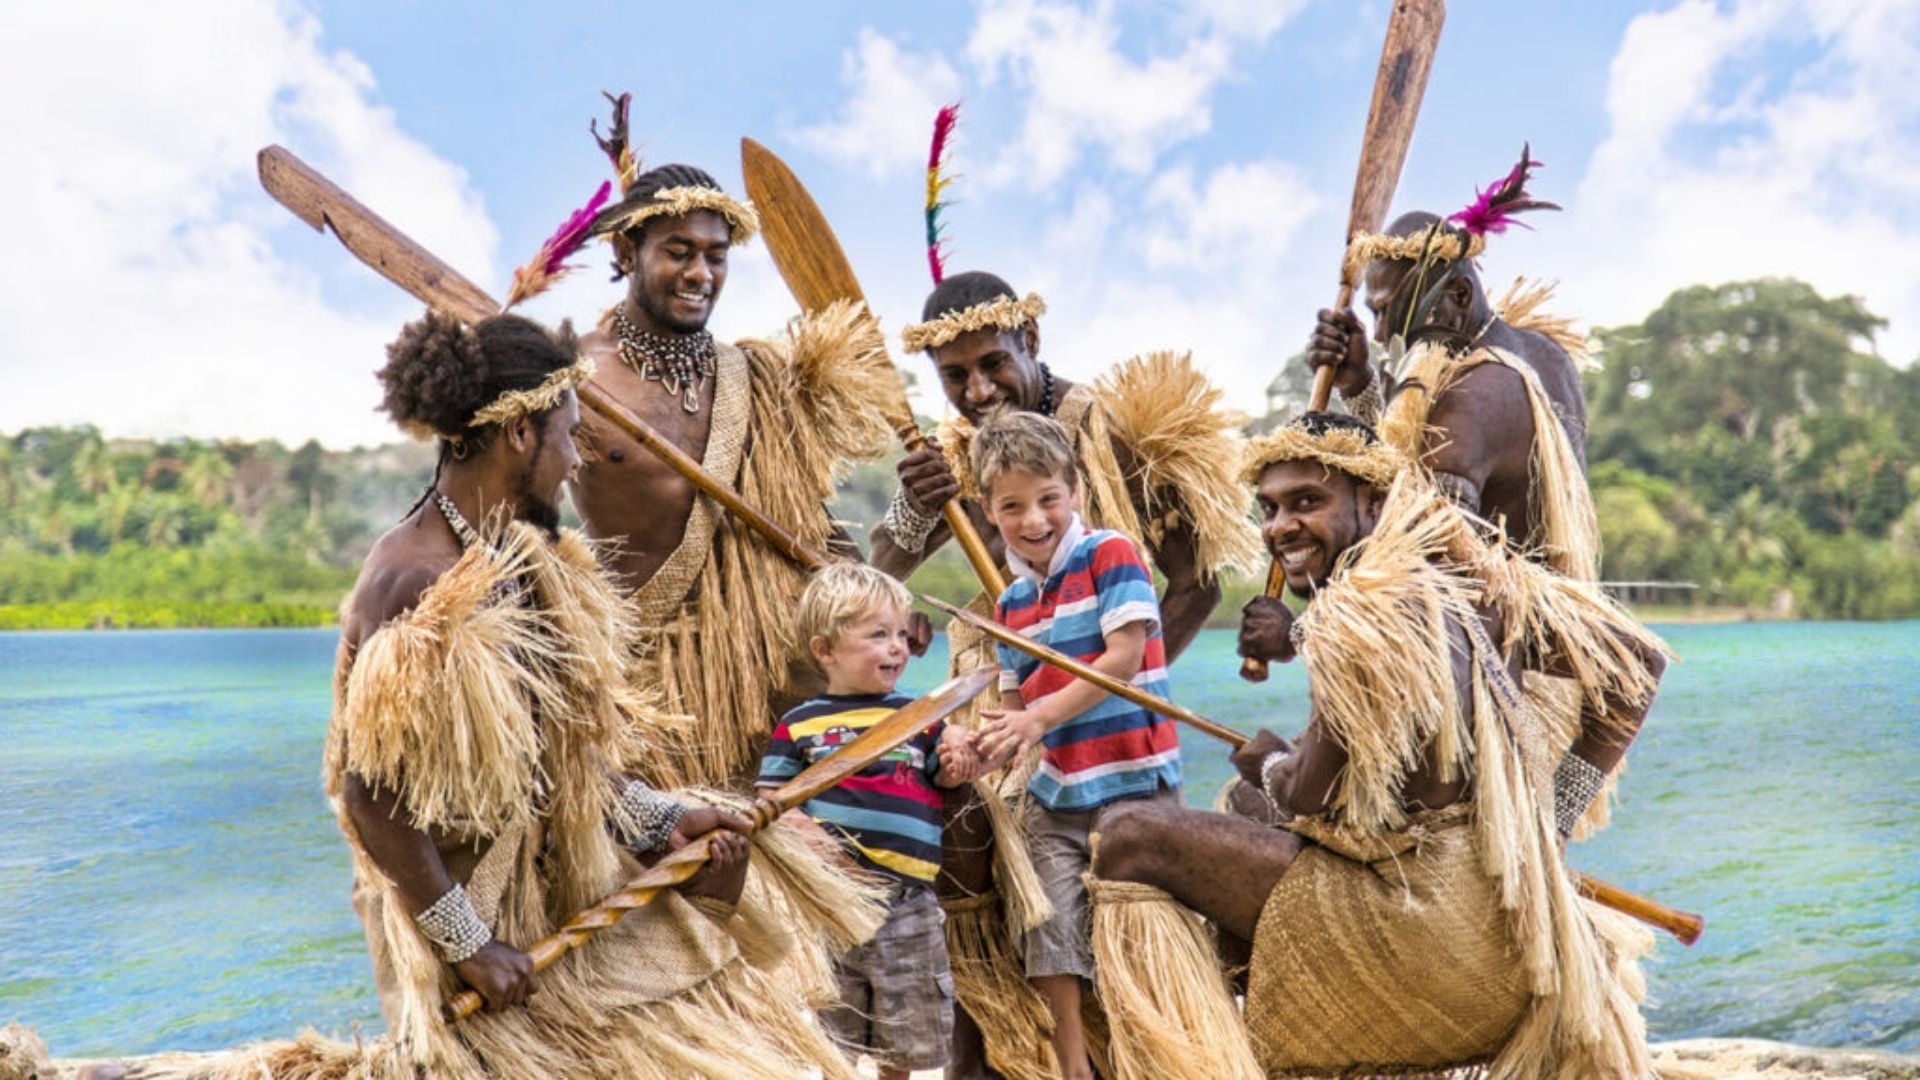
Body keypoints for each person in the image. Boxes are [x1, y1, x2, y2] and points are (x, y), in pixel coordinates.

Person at [271, 309, 875, 1079]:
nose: (576, 461)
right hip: (458, 906)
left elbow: (563, 753)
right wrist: (467, 946)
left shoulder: (523, 555)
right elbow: (370, 799)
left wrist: (662, 818)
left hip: (550, 879)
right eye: (568, 434)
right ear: (520, 433)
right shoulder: (413, 579)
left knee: (705, 1002)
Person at [1091, 412, 1669, 1077]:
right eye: (1270, 508)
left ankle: (1199, 1064)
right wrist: (1551, 823)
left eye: (1308, 502)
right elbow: (1638, 666)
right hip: (1507, 929)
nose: (1280, 526)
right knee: (1245, 804)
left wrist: (1274, 757)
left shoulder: (1354, 613)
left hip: (1421, 937)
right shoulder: (1480, 585)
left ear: (1374, 501)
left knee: (1129, 834)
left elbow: (1306, 792)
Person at [875, 271, 1256, 1080]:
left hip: (1112, 718)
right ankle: (995, 1055)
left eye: (992, 365)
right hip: (1012, 704)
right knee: (971, 851)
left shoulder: (1111, 431)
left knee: (1134, 897)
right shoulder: (950, 460)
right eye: (954, 377)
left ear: (1030, 344)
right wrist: (914, 518)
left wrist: (1110, 691)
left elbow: (1196, 585)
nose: (978, 391)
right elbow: (881, 574)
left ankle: (1167, 1050)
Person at [569, 92, 898, 787]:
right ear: (627, 250)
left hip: (784, 671)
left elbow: (808, 521)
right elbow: (520, 528)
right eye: (678, 252)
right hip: (654, 694)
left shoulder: (756, 377)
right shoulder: (572, 379)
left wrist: (878, 611)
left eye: (716, 256)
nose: (699, 274)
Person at [964, 411, 1183, 1080]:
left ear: (1075, 492)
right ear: (988, 510)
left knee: (1148, 941)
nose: (1033, 520)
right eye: (1012, 506)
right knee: (1048, 929)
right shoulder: (1009, 608)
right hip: (1057, 797)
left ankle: (1160, 1053)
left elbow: (1120, 658)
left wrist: (1035, 719)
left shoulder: (1109, 555)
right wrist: (986, 746)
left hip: (1136, 786)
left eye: (1048, 499)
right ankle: (1071, 1068)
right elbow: (1013, 710)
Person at [1303, 148, 1597, 580]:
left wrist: (1297, 631)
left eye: (1391, 312)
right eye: (1375, 314)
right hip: (1557, 622)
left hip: (1507, 637)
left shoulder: (1471, 397)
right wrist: (1358, 383)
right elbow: (1405, 464)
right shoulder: (1544, 353)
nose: (1382, 335)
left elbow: (1426, 570)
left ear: (1459, 296)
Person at [758, 564, 982, 1080]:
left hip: (908, 903)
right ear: (825, 650)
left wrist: (954, 757)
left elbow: (944, 780)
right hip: (833, 905)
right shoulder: (801, 723)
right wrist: (810, 838)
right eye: (878, 635)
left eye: (902, 634)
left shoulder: (921, 716)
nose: (897, 647)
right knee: (836, 1026)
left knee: (903, 1036)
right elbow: (772, 801)